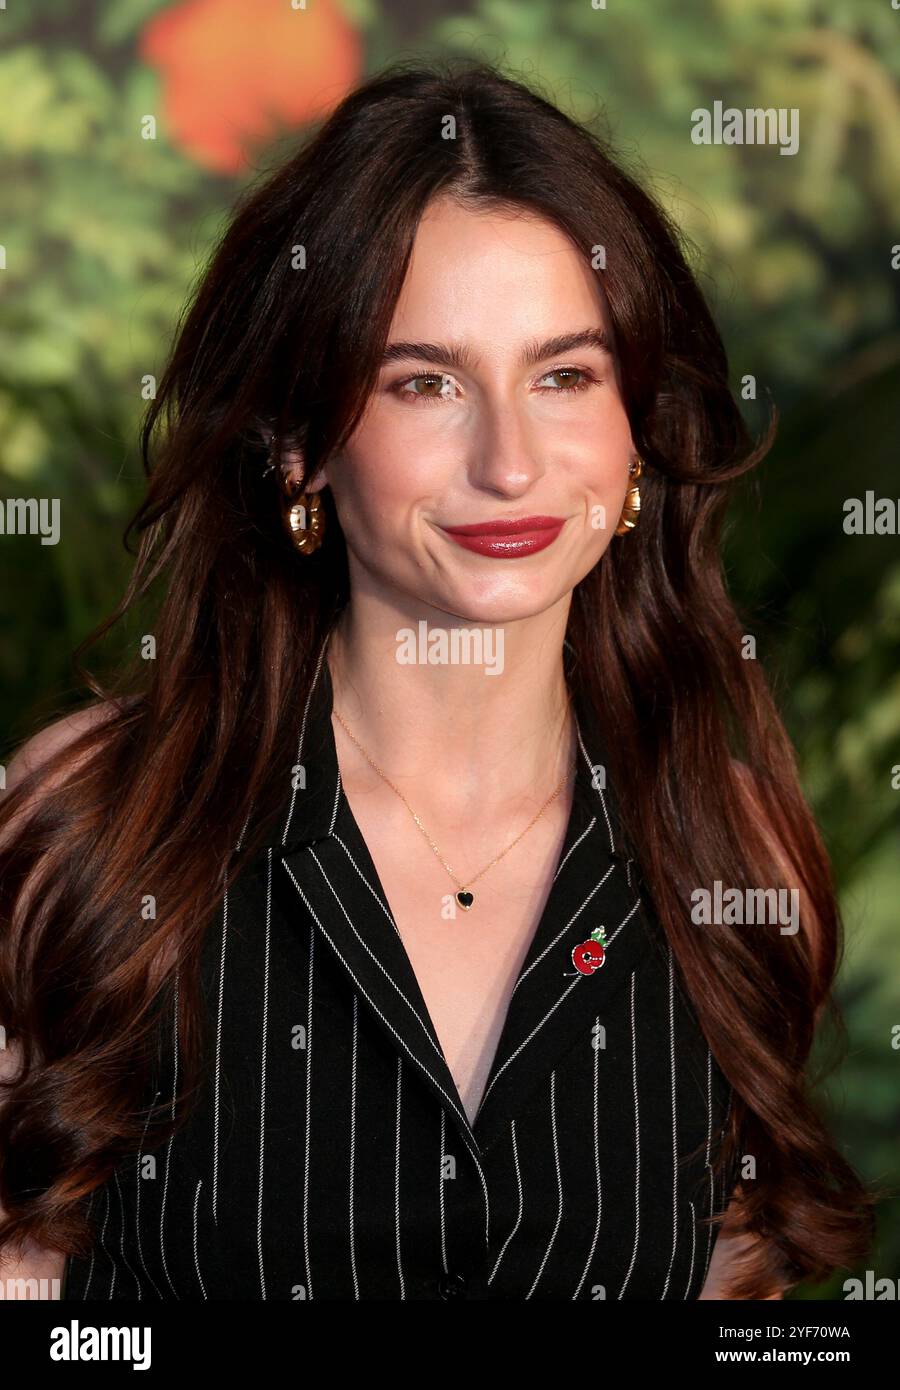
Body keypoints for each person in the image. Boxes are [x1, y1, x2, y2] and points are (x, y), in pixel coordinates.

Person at [0, 60, 874, 1301]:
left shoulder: (732, 853)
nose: (510, 463)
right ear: (300, 444)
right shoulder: (93, 825)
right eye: (426, 383)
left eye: (566, 375)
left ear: (636, 434)